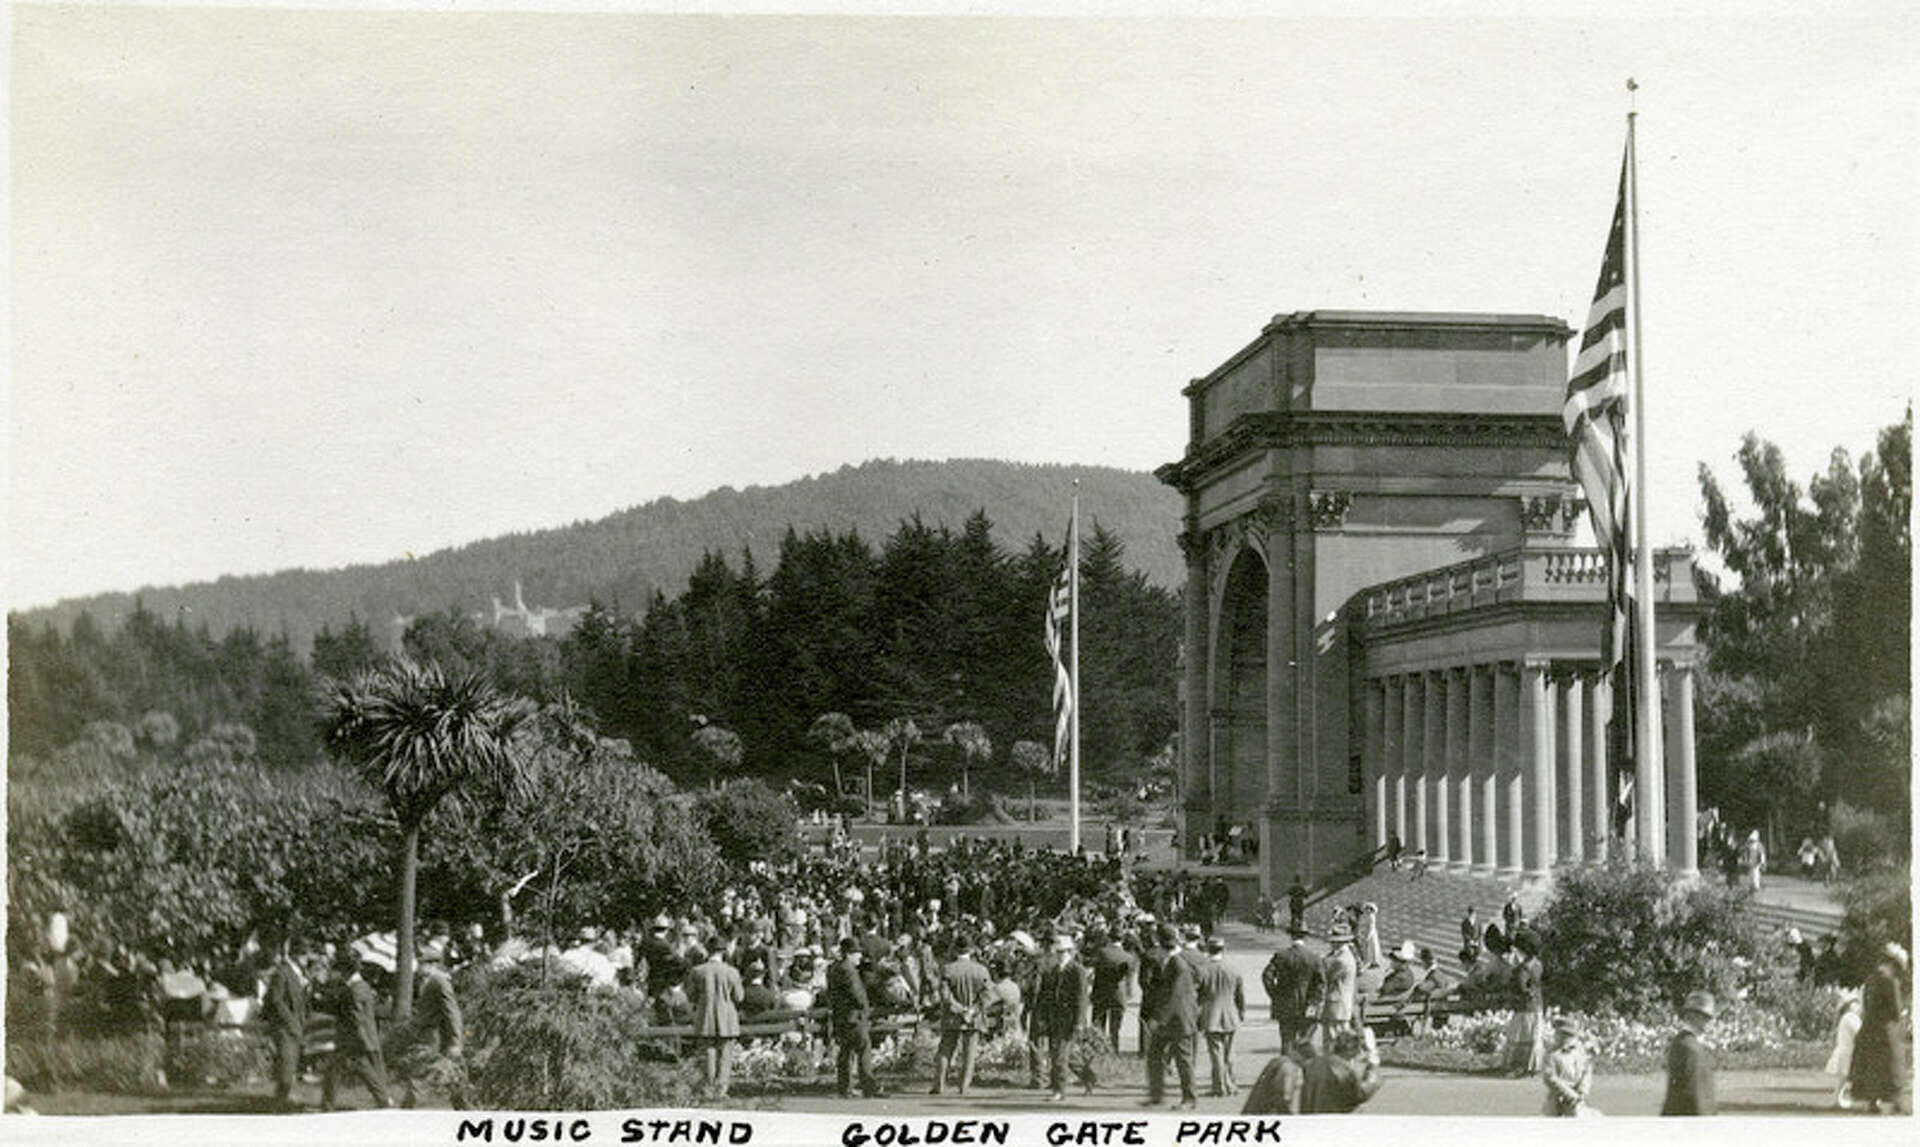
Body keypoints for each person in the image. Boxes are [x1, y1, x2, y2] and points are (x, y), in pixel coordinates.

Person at [1140, 924, 1198, 1109]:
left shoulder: (1178, 964)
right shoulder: (1172, 961)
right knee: (1155, 1055)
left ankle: (1189, 1099)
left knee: (1183, 1060)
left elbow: (1174, 996)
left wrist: (1157, 1019)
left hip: (1179, 1020)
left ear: (1160, 942)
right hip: (1172, 1019)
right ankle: (1156, 1095)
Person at [323, 955, 391, 1111]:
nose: (335, 974)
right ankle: (383, 1099)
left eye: (337, 971)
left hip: (354, 1038)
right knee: (354, 1069)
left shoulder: (355, 989)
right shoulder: (361, 986)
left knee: (345, 1068)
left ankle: (328, 1104)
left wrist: (362, 1040)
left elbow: (357, 1018)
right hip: (357, 1037)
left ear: (344, 971)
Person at [1849, 942, 1910, 1114]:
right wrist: (1904, 1014)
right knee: (1891, 1065)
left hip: (1869, 1028)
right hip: (1887, 1030)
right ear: (1894, 965)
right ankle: (1896, 1102)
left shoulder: (1870, 980)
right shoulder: (1891, 982)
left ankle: (1872, 1102)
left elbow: (1866, 1005)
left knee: (1872, 1065)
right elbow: (1896, 1010)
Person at [1032, 934, 1093, 1101]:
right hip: (1055, 1018)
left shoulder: (1077, 970)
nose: (1060, 955)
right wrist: (1043, 1017)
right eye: (1058, 952)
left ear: (1071, 952)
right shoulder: (1052, 970)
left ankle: (1059, 1090)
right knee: (1063, 1055)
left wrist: (1079, 1021)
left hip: (1070, 1019)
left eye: (1063, 951)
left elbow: (1082, 998)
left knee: (1060, 1056)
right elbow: (1046, 996)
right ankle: (1088, 1077)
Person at [827, 937, 888, 1098]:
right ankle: (868, 1087)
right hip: (853, 1015)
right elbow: (857, 994)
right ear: (849, 954)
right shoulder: (848, 970)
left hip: (842, 1015)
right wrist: (865, 1007)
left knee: (846, 1051)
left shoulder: (835, 968)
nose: (860, 956)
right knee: (864, 1048)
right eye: (857, 953)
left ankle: (845, 1087)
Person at [932, 935, 993, 1096]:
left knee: (945, 1050)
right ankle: (963, 1087)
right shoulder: (981, 970)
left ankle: (939, 1084)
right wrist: (972, 1010)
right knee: (969, 1053)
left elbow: (945, 996)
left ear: (955, 949)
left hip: (952, 1016)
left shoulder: (947, 969)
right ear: (971, 950)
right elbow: (988, 996)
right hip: (974, 1017)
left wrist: (959, 1009)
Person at [686, 945, 744, 1099]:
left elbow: (690, 995)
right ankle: (721, 1089)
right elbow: (739, 997)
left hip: (705, 1015)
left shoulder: (697, 971)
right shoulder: (732, 972)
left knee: (708, 1053)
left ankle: (708, 1088)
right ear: (723, 952)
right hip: (727, 1016)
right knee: (725, 1054)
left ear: (708, 951)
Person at [260, 936, 309, 1108]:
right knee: (286, 1065)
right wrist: (290, 1020)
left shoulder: (297, 973)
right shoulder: (282, 972)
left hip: (296, 1026)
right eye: (304, 955)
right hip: (285, 1027)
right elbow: (276, 999)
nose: (307, 958)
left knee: (290, 1064)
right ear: (296, 955)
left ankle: (282, 1099)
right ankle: (280, 1102)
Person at [1197, 935, 1245, 1097]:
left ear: (1207, 950)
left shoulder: (1202, 969)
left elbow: (1198, 995)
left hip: (1211, 1015)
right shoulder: (1233, 969)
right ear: (1223, 949)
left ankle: (1219, 1086)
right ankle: (1231, 1083)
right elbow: (1240, 994)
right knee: (1230, 1053)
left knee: (1216, 1053)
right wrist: (1241, 1011)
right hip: (1230, 1014)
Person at [1262, 926, 1322, 1055]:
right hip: (1307, 1006)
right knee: (1305, 1043)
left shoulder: (1281, 956)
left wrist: (1275, 995)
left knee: (1287, 1042)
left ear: (1291, 937)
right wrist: (1314, 1002)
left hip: (1285, 1005)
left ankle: (1287, 1066)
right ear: (1305, 938)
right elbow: (1321, 984)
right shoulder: (1314, 957)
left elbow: (1267, 976)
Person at [1298, 1027, 1381, 1113]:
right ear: (1354, 1050)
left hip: (1311, 1115)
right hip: (1334, 1116)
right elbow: (1361, 1093)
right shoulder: (1344, 1069)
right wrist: (1373, 1067)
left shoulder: (1312, 1064)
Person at [1661, 990, 1717, 1116]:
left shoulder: (1681, 1041)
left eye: (1709, 1017)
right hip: (1691, 1121)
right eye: (1706, 1017)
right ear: (1693, 1016)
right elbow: (1697, 1096)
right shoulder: (1691, 1048)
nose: (1710, 1021)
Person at [1503, 932, 1545, 1077]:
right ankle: (1533, 1066)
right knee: (1533, 1036)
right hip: (1537, 1004)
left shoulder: (1523, 968)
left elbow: (1521, 987)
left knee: (1521, 1036)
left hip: (1524, 1006)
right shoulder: (1538, 964)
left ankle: (1519, 1066)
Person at [1089, 929, 1137, 1054]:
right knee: (1115, 1027)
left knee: (1098, 1024)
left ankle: (1097, 1050)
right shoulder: (1128, 957)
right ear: (1122, 940)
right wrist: (1129, 994)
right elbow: (1130, 980)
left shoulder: (1101, 953)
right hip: (1119, 993)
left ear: (1109, 938)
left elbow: (1094, 971)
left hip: (1101, 991)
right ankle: (1114, 1050)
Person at [1315, 919, 1359, 1053]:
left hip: (1337, 1004)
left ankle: (1334, 1062)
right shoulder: (1342, 956)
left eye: (1333, 941)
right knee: (1339, 1038)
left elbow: (1326, 975)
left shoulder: (1341, 960)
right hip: (1340, 1003)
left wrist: (1322, 961)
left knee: (1333, 1040)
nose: (1331, 944)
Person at [1541, 1016, 1593, 1116]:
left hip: (1577, 1100)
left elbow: (1587, 1072)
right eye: (1557, 1033)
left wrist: (1582, 1091)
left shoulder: (1580, 1053)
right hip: (1557, 1100)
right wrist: (1569, 1094)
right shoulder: (1552, 1054)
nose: (1556, 1036)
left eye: (1570, 1036)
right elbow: (1550, 1078)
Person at [1826, 990, 1862, 1110]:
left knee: (1844, 1077)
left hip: (1846, 1050)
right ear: (1850, 1006)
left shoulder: (1848, 1017)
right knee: (1844, 1077)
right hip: (1847, 1051)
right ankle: (1837, 1099)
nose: (1858, 1006)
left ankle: (1837, 1099)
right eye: (1855, 1003)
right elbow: (1858, 1032)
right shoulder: (1850, 1017)